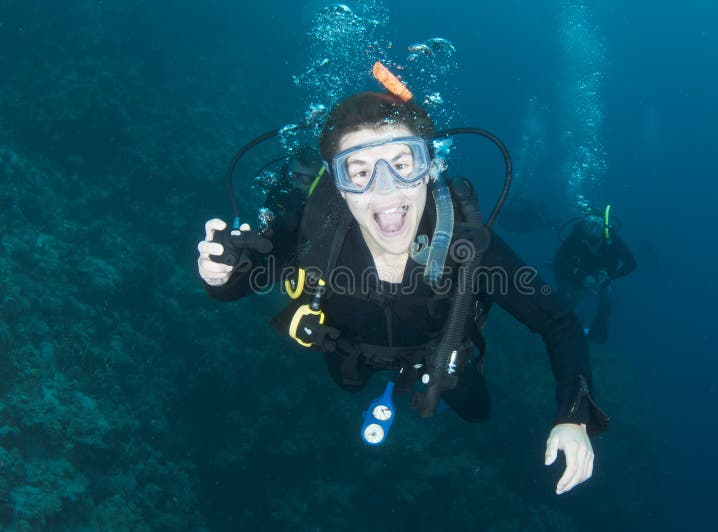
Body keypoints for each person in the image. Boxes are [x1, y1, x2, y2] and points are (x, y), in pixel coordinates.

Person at [197, 91, 609, 495]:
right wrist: (220, 273)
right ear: (338, 186)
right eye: (358, 172)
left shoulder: (465, 241)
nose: (385, 190)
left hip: (441, 354)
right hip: (349, 349)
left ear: (429, 168)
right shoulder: (316, 226)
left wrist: (574, 416)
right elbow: (239, 281)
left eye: (401, 164)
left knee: (478, 413)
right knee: (349, 387)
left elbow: (559, 322)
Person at [554, 209, 637, 343]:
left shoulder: (613, 239)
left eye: (597, 225)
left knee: (607, 298)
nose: (593, 229)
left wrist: (610, 276)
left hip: (602, 277)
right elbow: (558, 263)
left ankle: (597, 335)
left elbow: (631, 264)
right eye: (589, 224)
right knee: (569, 295)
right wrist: (578, 274)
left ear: (604, 226)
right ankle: (562, 323)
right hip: (578, 275)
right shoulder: (576, 236)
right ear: (584, 226)